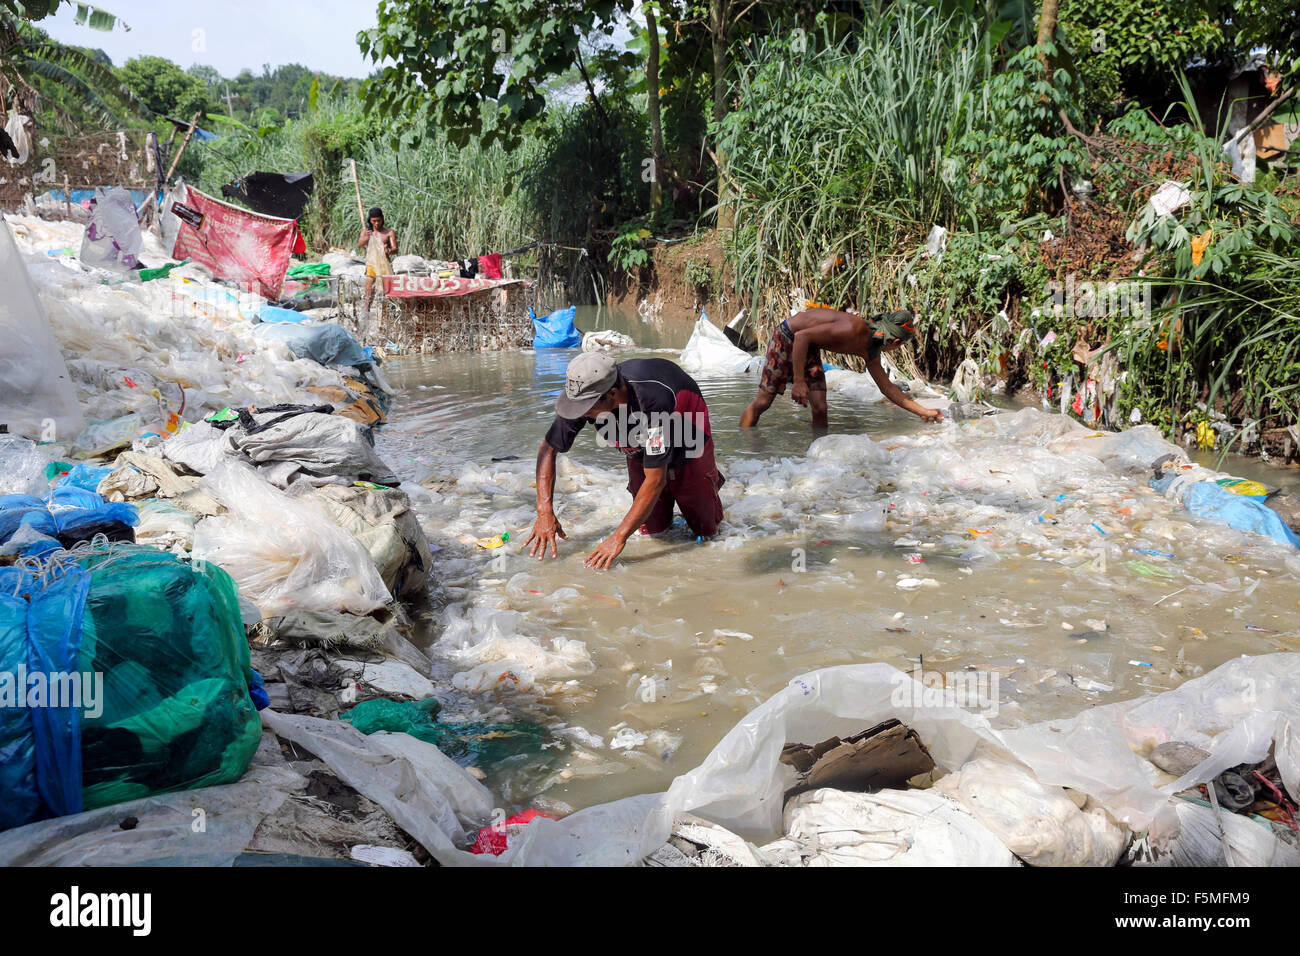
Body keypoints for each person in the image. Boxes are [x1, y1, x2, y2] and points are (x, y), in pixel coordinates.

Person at [527, 353, 725, 570]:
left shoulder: (652, 398)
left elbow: (656, 480)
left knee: (705, 529)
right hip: (637, 435)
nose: (580, 415)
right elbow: (548, 449)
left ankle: (709, 485)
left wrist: (618, 538)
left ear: (611, 394)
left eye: (587, 409)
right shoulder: (583, 394)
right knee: (655, 532)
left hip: (684, 423)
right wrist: (544, 510)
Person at [739, 307, 943, 428]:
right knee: (764, 402)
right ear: (896, 341)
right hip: (788, 336)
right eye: (900, 346)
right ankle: (747, 444)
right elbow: (802, 336)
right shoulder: (853, 329)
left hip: (808, 346)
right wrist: (799, 382)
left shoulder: (871, 352)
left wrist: (924, 412)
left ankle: (817, 456)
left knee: (820, 408)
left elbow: (888, 389)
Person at [356, 206, 397, 314]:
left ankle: (389, 311)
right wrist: (365, 238)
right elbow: (359, 244)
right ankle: (366, 310)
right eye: (374, 221)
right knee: (369, 288)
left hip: (385, 265)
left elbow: (395, 249)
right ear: (370, 220)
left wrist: (388, 250)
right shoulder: (367, 232)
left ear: (382, 219)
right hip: (372, 265)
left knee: (388, 289)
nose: (376, 223)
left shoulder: (389, 232)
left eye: (378, 221)